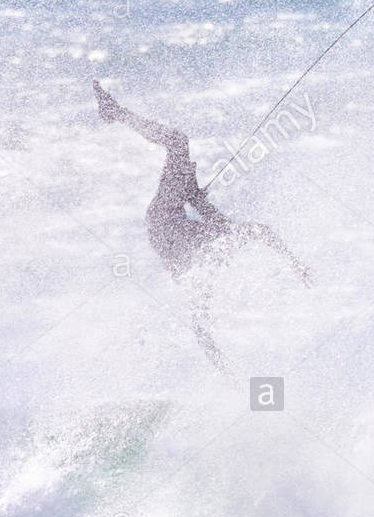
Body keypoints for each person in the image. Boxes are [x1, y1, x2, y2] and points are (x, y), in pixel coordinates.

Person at [93, 80, 311, 369]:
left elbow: (199, 323)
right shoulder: (208, 252)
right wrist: (296, 265)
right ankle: (114, 112)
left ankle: (114, 112)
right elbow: (254, 229)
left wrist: (190, 191)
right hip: (169, 225)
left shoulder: (199, 267)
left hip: (164, 221)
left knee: (178, 142)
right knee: (180, 147)